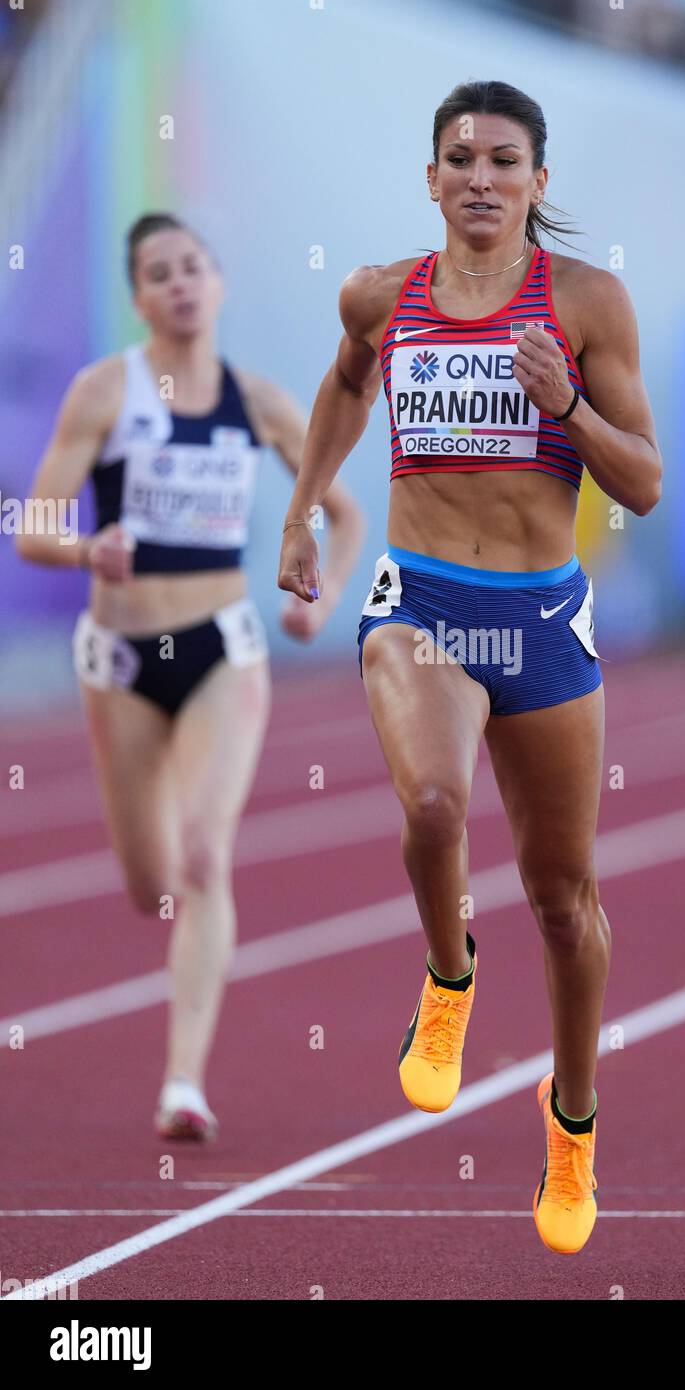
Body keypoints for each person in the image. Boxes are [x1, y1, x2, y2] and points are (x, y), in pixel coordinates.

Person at [278, 80, 661, 1255]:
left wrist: (570, 413)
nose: (482, 177)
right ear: (430, 178)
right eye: (461, 158)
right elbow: (350, 380)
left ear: (539, 183)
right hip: (423, 599)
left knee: (563, 899)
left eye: (505, 159)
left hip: (540, 613)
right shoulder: (381, 294)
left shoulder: (587, 303)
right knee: (434, 803)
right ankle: (448, 981)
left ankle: (572, 1126)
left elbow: (643, 481)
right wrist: (302, 508)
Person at [16, 213, 365, 1142]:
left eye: (192, 267)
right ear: (138, 296)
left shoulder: (258, 403)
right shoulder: (105, 392)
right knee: (151, 882)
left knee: (206, 857)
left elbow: (345, 513)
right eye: (159, 273)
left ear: (217, 283)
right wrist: (89, 546)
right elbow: (32, 528)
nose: (179, 283)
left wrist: (318, 601)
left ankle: (184, 1085)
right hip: (122, 662)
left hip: (221, 647)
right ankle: (177, 1022)